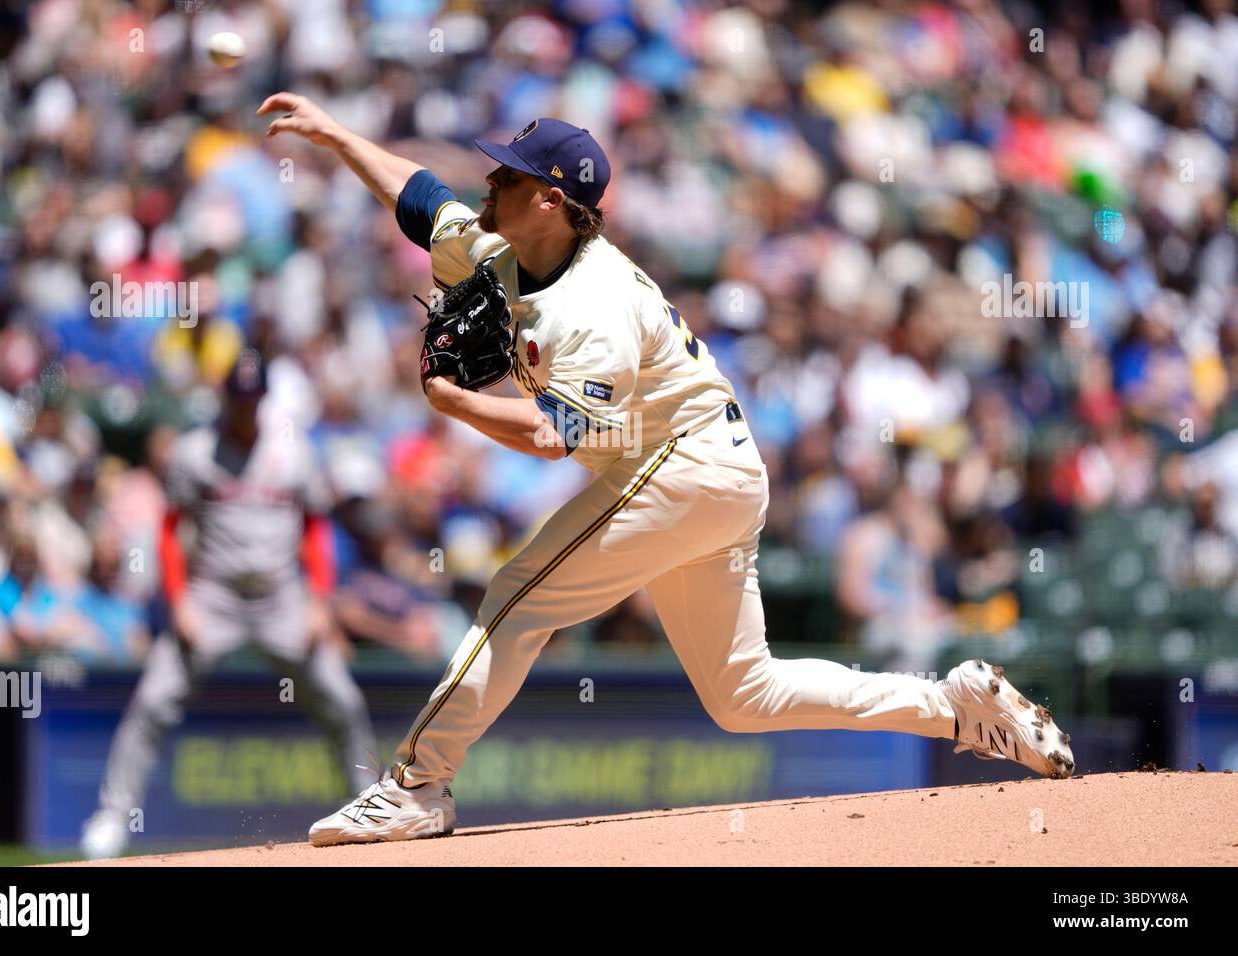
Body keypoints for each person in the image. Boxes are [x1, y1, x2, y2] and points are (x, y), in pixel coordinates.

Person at [258, 93, 1075, 846]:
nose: (489, 177)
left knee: (516, 598)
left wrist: (455, 403)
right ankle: (954, 710)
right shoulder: (499, 243)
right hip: (702, 468)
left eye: (507, 171)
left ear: (549, 197)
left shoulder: (594, 306)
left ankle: (416, 786)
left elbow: (553, 440)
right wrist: (333, 134)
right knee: (743, 694)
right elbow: (420, 196)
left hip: (685, 464)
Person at [78, 350, 377, 859]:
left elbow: (314, 526)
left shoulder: (293, 452)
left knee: (340, 697)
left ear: (263, 399)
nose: (244, 407)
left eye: (253, 398)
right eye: (237, 398)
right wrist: (179, 601)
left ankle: (368, 804)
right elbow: (171, 530)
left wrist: (320, 600)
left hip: (281, 595)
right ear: (225, 397)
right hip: (213, 595)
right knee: (154, 699)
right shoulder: (196, 453)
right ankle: (113, 815)